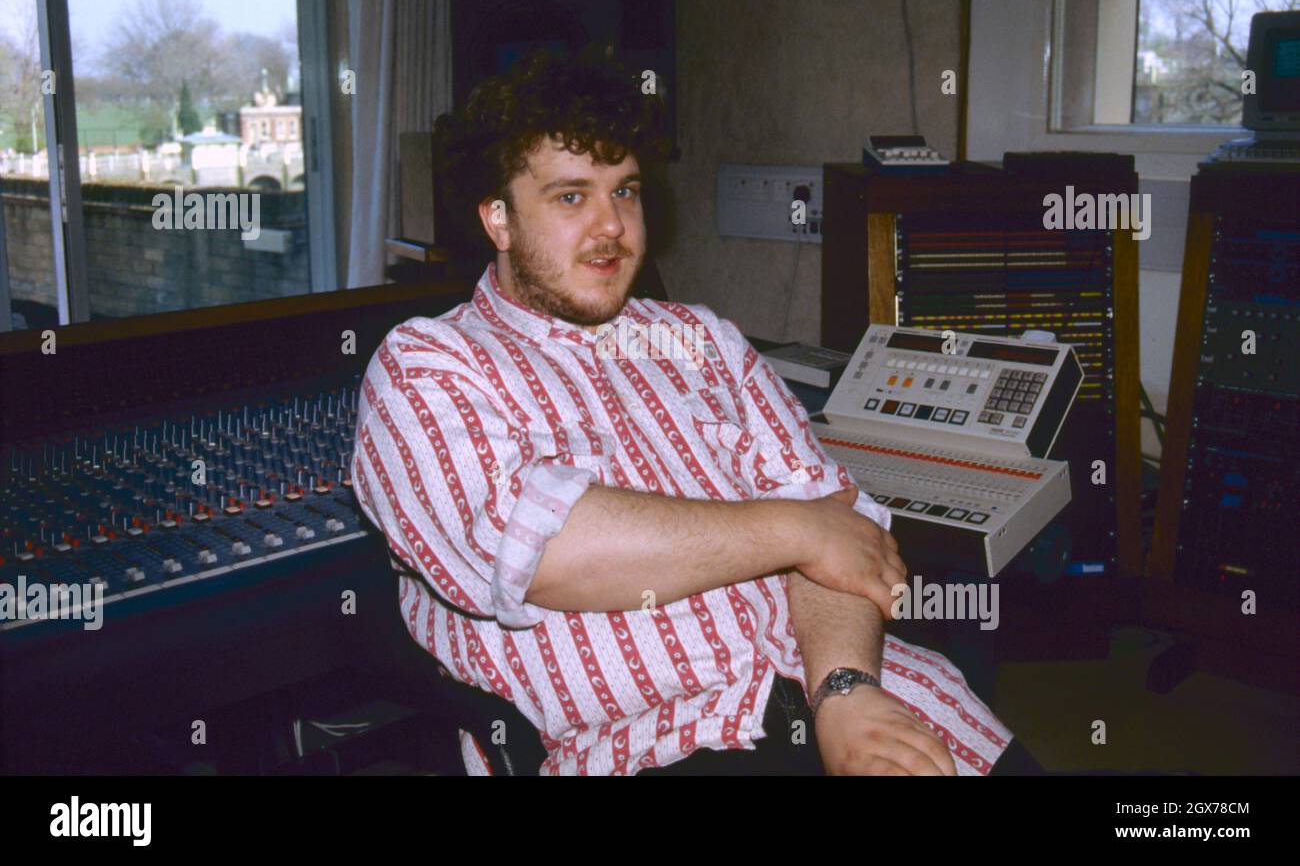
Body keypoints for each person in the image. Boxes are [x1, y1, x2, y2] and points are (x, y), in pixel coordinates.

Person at [351, 47, 1040, 776]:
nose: (611, 226)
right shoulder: (428, 364)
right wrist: (791, 529)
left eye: (627, 191)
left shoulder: (701, 338)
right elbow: (540, 551)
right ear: (498, 219)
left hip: (848, 693)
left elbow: (844, 538)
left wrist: (846, 689)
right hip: (654, 744)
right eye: (570, 197)